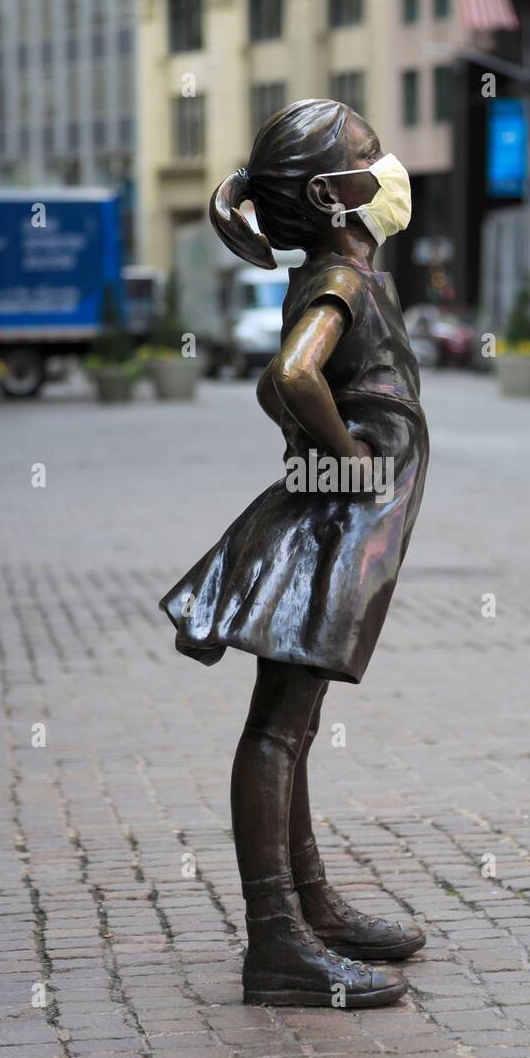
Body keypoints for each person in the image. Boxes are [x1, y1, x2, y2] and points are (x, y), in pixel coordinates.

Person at [160, 99, 429, 1007]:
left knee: (293, 718)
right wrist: (350, 464)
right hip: (327, 525)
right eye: (371, 154)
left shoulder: (342, 275)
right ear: (331, 193)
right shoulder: (339, 284)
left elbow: (287, 392)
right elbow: (291, 375)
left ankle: (308, 903)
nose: (387, 164)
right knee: (279, 724)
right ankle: (276, 939)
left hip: (335, 520)